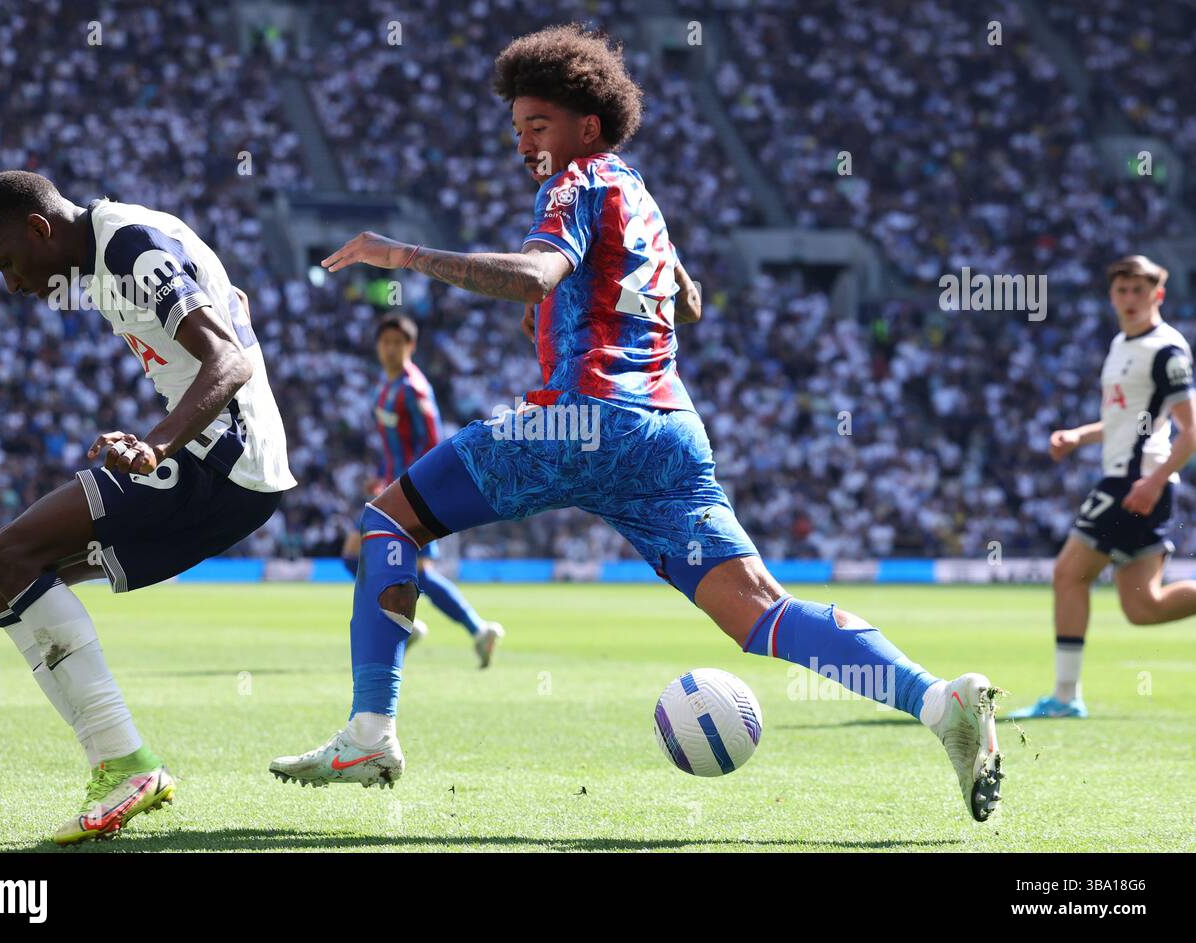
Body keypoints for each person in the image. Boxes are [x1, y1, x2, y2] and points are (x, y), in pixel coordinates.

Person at [271, 25, 1002, 821]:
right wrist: (571, 313)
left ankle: (371, 729)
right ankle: (940, 704)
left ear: (587, 124)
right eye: (516, 129)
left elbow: (537, 274)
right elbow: (686, 297)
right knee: (758, 608)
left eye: (537, 125)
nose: (524, 144)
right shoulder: (636, 190)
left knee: (389, 520)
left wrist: (404, 255)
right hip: (669, 436)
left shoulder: (574, 183)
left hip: (582, 420)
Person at [0, 170, 296, 843]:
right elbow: (229, 299)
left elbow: (228, 361)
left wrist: (156, 444)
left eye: (7, 263)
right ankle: (117, 760)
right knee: (0, 575)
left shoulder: (125, 245)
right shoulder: (107, 252)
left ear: (39, 229)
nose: (11, 283)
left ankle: (124, 760)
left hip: (218, 460)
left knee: (10, 554)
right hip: (224, 461)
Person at [1013, 255, 1196, 719]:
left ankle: (1064, 696)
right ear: (1112, 295)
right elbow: (1123, 420)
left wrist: (1152, 482)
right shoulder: (1120, 344)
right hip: (1133, 482)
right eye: (1122, 291)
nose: (1130, 299)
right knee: (1145, 607)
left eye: (1140, 291)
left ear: (1157, 295)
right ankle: (1065, 696)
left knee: (1067, 574)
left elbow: (1190, 428)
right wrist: (1080, 435)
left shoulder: (1165, 351)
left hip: (1132, 484)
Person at [340, 314, 504, 666]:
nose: (391, 349)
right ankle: (461, 628)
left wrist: (413, 487)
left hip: (414, 495)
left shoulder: (414, 389)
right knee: (362, 557)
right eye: (386, 342)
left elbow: (432, 444)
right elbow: (394, 447)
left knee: (402, 567)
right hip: (394, 494)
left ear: (410, 347)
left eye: (398, 342)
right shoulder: (387, 387)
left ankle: (457, 627)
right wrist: (382, 477)